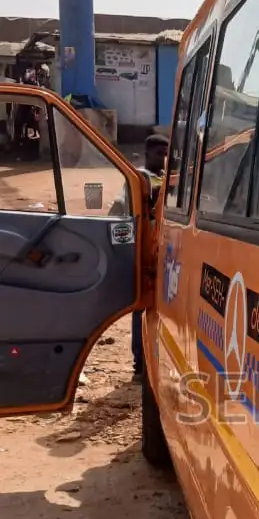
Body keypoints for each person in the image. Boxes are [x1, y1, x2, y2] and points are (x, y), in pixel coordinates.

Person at [110, 133, 168, 375]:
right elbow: (119, 215)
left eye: (167, 154)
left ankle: (156, 360)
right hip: (144, 256)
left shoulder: (170, 180)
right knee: (141, 308)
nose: (164, 159)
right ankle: (140, 363)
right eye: (159, 154)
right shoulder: (138, 179)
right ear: (147, 154)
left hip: (166, 256)